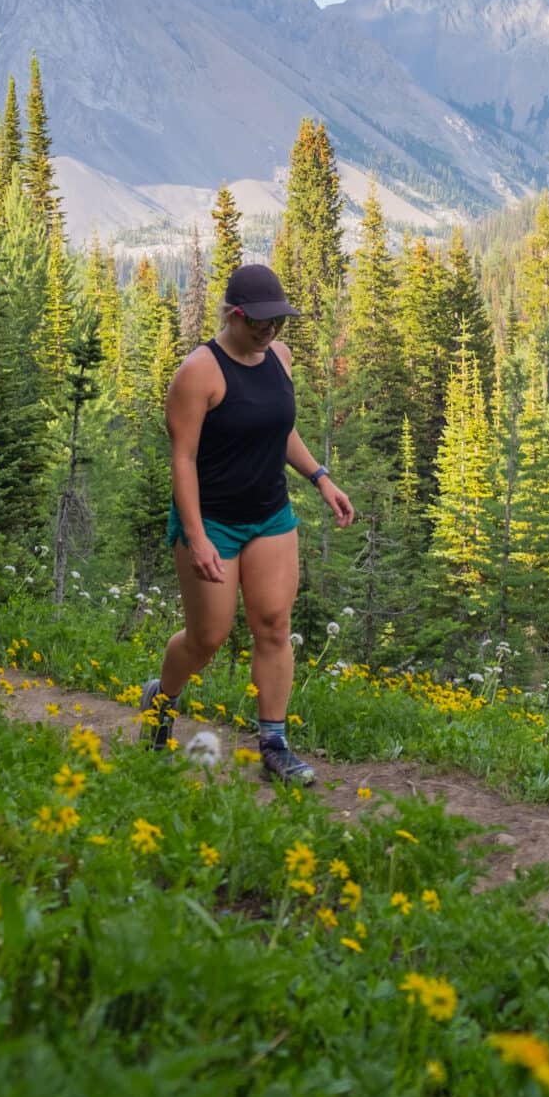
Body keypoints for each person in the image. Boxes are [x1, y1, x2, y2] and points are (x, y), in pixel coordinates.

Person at [139, 261, 354, 784]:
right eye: (260, 322)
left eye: (277, 322)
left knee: (274, 627)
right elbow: (183, 460)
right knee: (206, 638)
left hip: (270, 516)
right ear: (234, 316)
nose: (271, 331)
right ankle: (160, 699)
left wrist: (320, 477)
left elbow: (277, 430)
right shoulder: (198, 373)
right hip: (212, 519)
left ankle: (274, 743)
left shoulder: (277, 356)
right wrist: (196, 536)